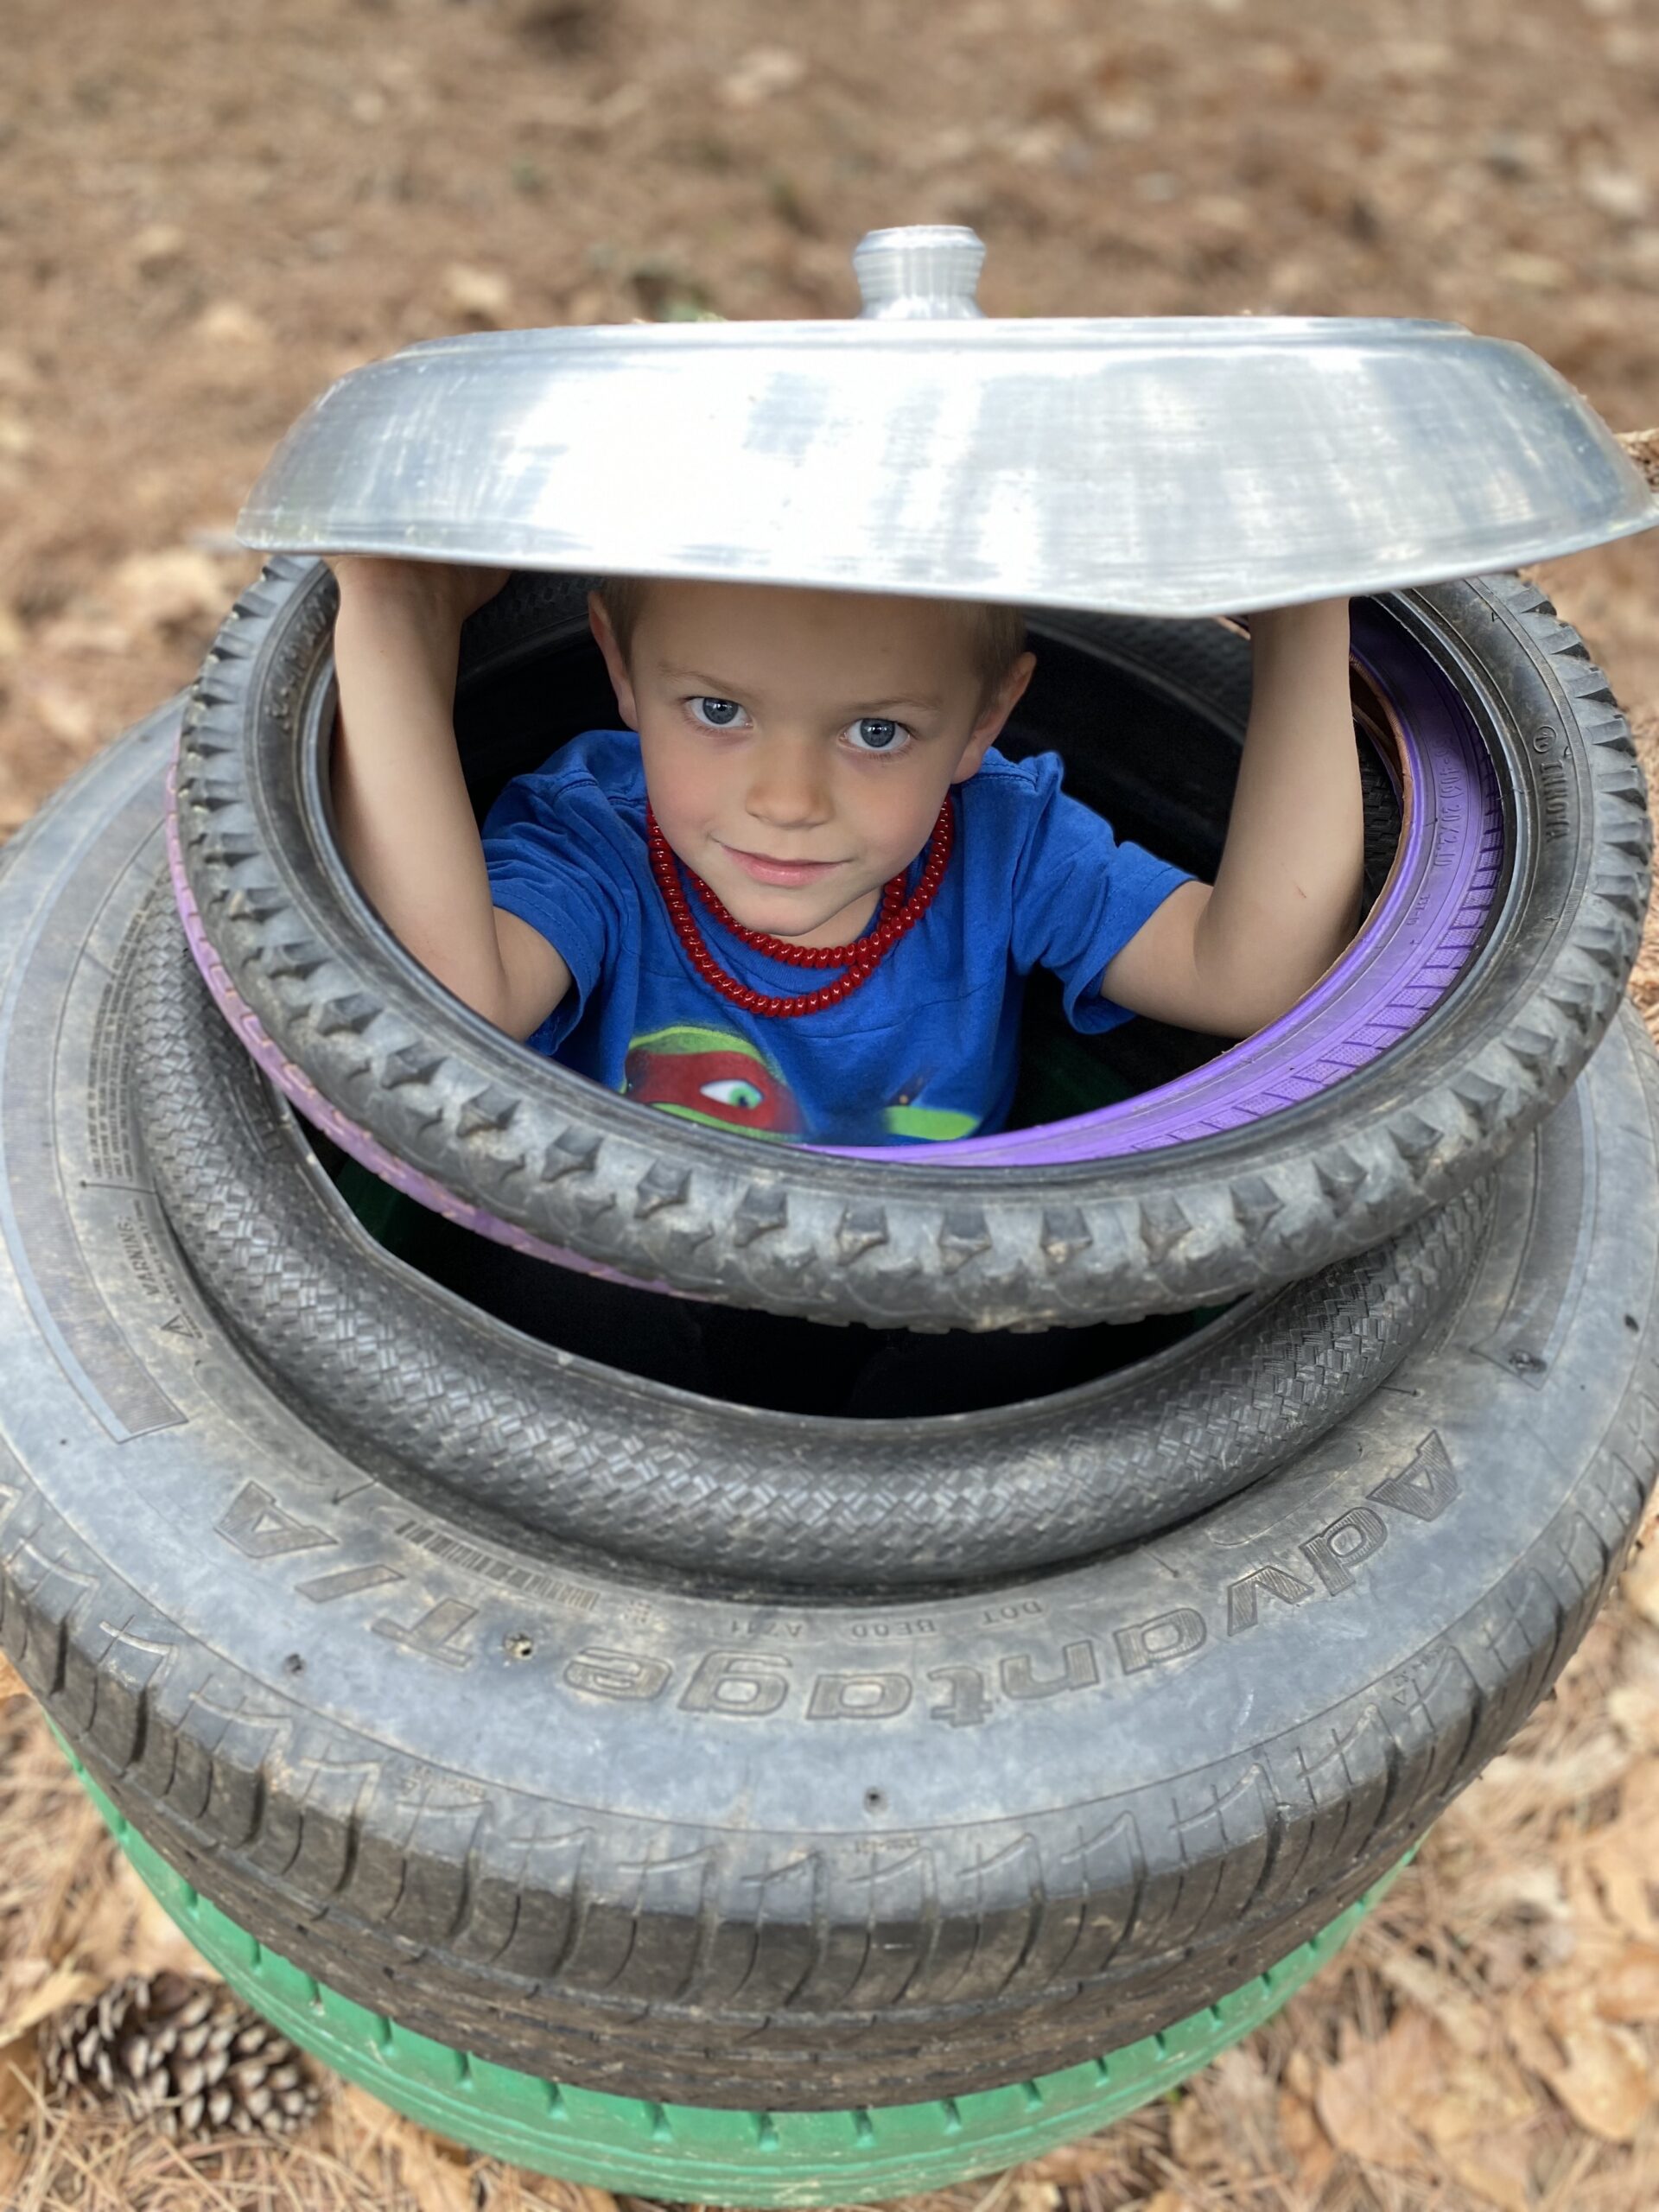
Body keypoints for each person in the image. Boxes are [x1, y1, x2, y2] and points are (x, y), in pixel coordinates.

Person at [327, 562, 1362, 1154]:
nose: (787, 802)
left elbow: (1254, 976)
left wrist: (1307, 614)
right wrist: (393, 624)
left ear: (983, 719)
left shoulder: (1007, 842)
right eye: (719, 710)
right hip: (620, 1269)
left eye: (876, 732)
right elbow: (450, 1006)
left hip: (928, 1286)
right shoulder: (597, 832)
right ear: (621, 668)